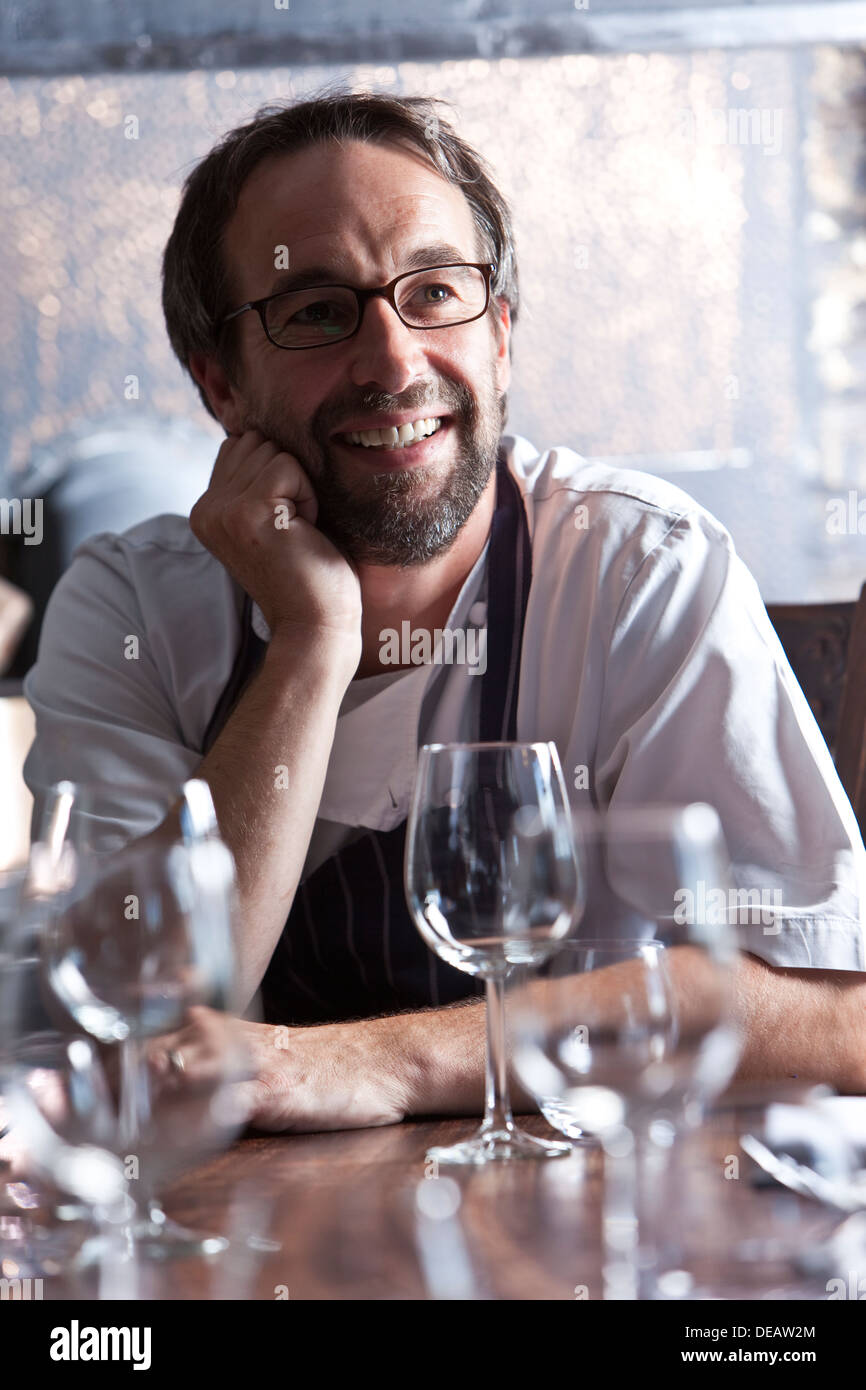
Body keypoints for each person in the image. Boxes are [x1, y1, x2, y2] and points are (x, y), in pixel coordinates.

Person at [23, 88, 866, 1132]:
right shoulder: (130, 607)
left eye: (433, 294)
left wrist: (378, 1064)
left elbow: (832, 1011)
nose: (391, 360)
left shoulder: (635, 569)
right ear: (219, 387)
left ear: (500, 333)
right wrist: (310, 640)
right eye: (317, 309)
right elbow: (147, 1022)